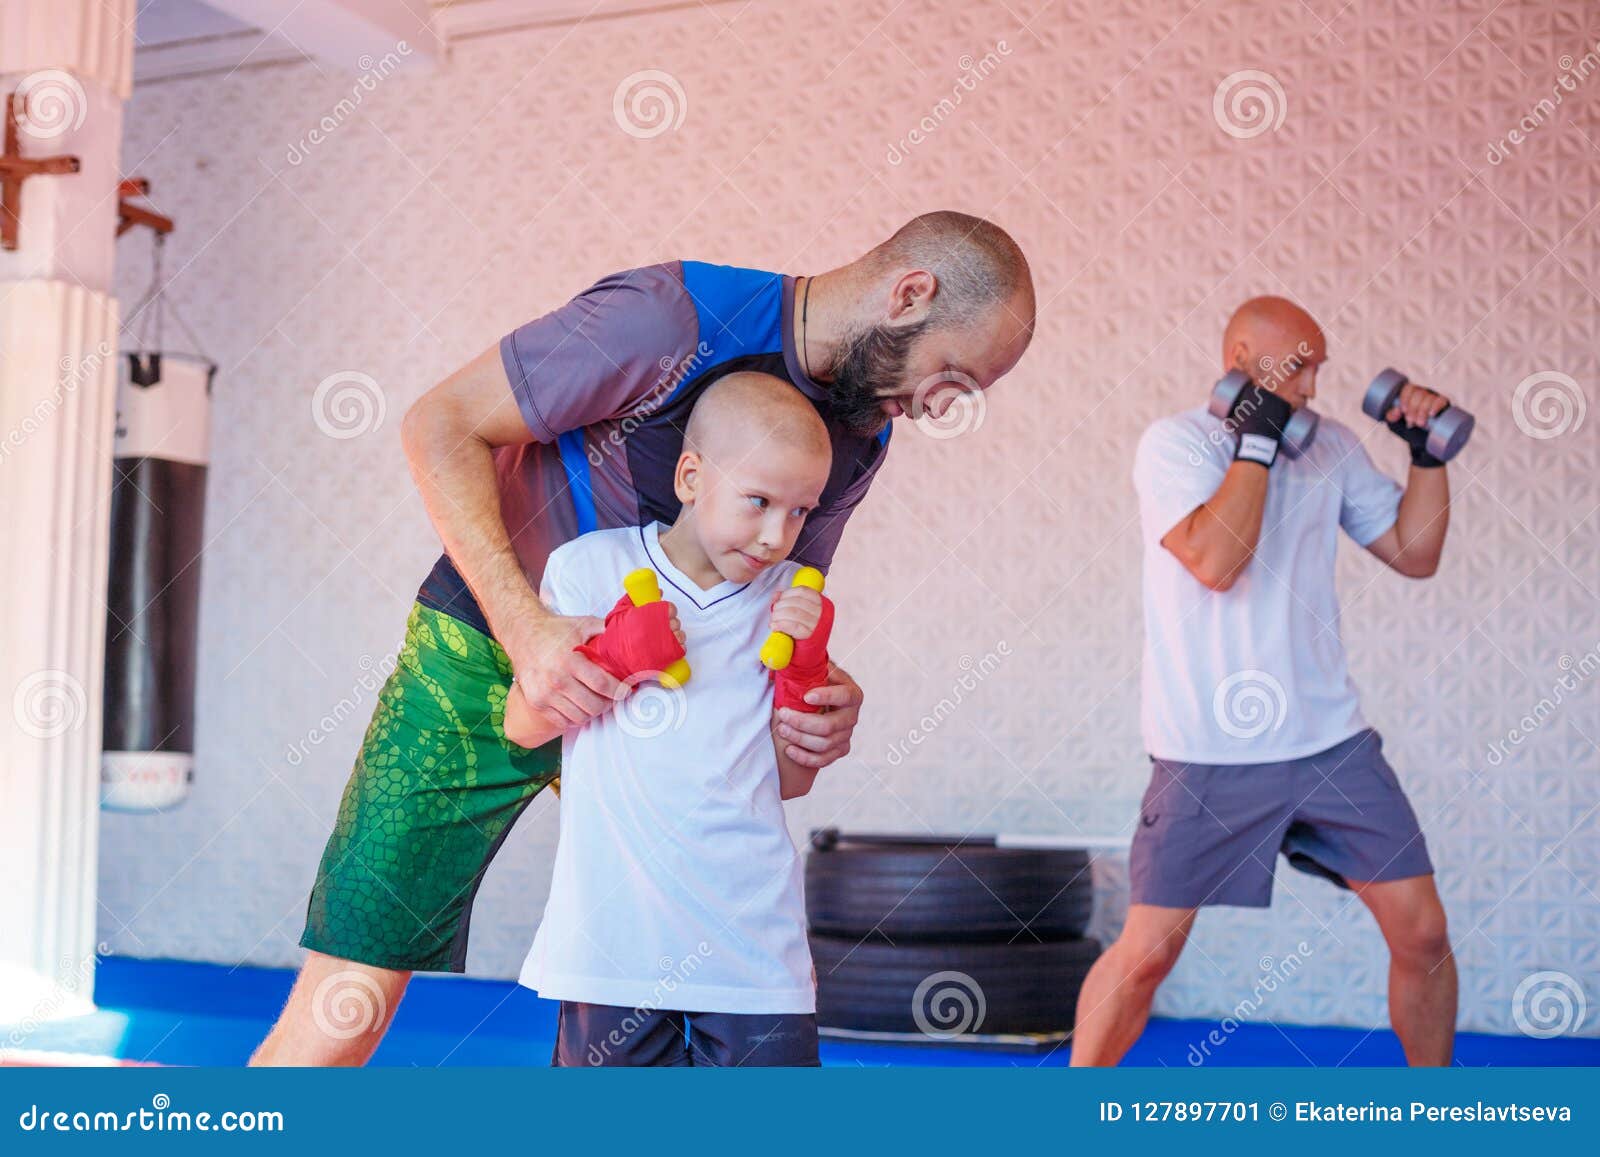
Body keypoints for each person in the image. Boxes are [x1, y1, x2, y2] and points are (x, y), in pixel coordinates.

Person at [250, 210, 1035, 1065]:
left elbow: (777, 606)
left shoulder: (858, 434)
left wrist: (819, 698)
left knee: (682, 989)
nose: (935, 410)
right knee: (354, 991)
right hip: (485, 640)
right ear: (909, 294)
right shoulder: (670, 320)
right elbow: (441, 422)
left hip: (663, 698)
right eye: (949, 376)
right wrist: (530, 632)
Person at [1072, 296, 1458, 1067]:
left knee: (1423, 932)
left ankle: (1435, 1114)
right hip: (1209, 748)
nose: (1314, 385)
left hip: (1329, 743)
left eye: (1319, 366)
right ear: (1244, 354)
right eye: (1300, 364)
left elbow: (1416, 553)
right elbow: (1217, 562)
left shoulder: (1333, 449)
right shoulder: (1175, 444)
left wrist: (1426, 458)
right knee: (1147, 954)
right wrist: (1255, 444)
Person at [506, 373, 834, 1066]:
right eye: (759, 501)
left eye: (801, 511)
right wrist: (614, 654)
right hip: (615, 939)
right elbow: (522, 724)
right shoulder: (590, 568)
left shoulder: (787, 603)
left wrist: (804, 676)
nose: (778, 534)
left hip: (753, 944)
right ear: (691, 477)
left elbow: (790, 781)